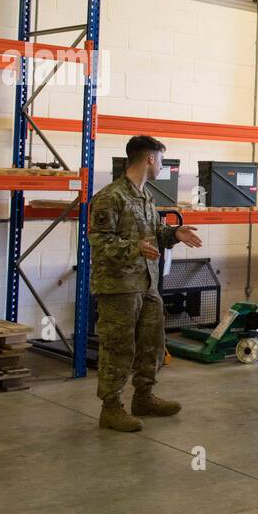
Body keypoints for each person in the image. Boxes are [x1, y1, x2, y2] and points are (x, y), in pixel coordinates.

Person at [89, 135, 203, 432]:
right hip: (119, 287)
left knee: (152, 343)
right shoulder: (110, 197)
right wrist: (134, 249)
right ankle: (111, 407)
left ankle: (143, 396)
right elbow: (100, 242)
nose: (162, 165)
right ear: (150, 158)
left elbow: (152, 236)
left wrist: (173, 234)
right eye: (161, 159)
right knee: (118, 346)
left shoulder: (146, 196)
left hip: (147, 283)